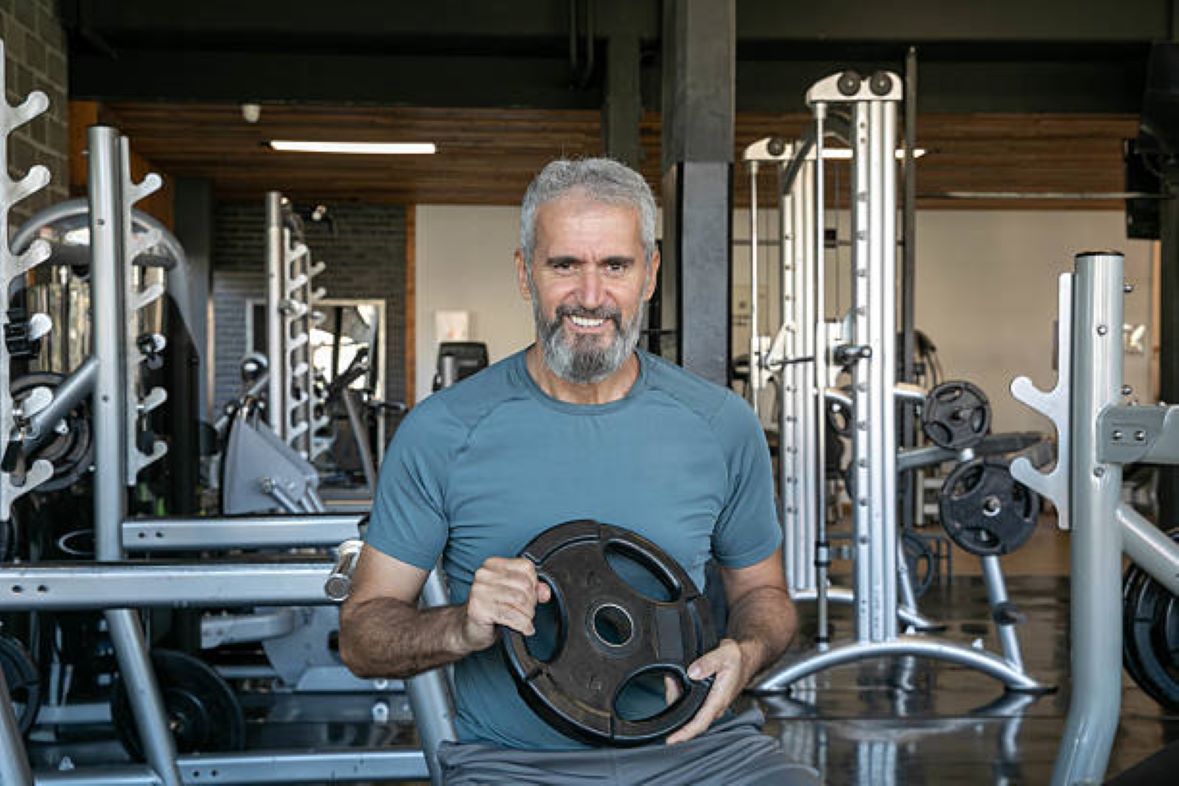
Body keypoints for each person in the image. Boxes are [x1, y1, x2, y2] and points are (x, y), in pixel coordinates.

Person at [339, 157, 816, 785]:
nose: (590, 297)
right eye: (565, 265)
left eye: (615, 266)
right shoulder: (442, 431)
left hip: (702, 753)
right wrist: (462, 626)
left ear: (649, 273)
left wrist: (746, 652)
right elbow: (362, 635)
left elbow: (764, 595)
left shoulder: (721, 424)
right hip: (518, 766)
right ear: (524, 273)